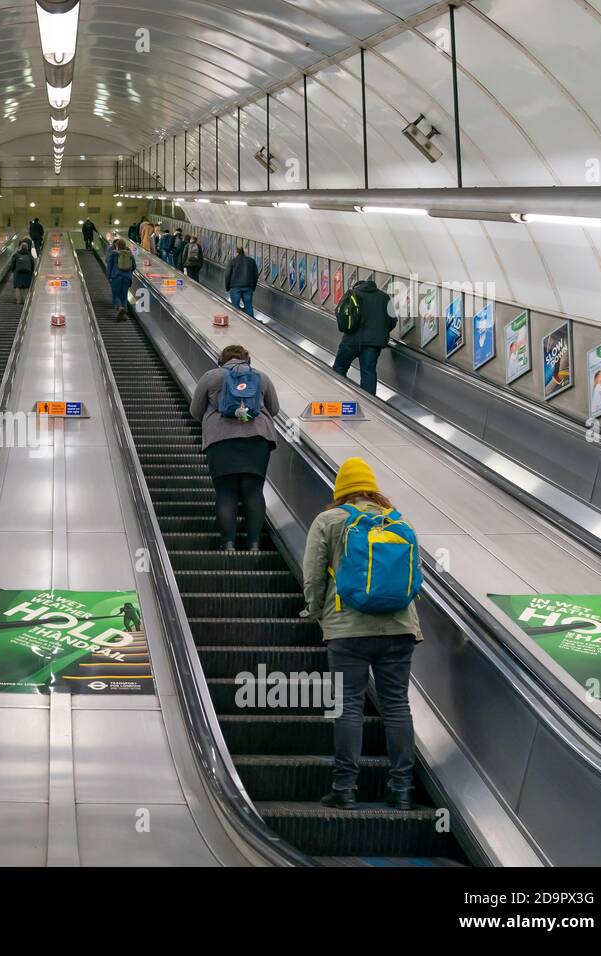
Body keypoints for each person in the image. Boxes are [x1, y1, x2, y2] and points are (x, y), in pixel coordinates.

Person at [301, 457, 422, 811]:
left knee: (349, 706)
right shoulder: (398, 521)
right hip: (400, 628)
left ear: (341, 491)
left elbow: (313, 576)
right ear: (373, 489)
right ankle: (402, 790)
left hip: (348, 630)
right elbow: (416, 577)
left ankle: (345, 788)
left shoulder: (330, 521)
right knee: (397, 706)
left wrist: (314, 611)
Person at [189, 345, 280, 552]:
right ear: (246, 359)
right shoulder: (261, 377)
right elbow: (273, 409)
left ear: (222, 359)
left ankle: (228, 544)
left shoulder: (211, 377)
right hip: (257, 440)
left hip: (221, 441)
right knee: (254, 492)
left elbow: (195, 410)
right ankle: (254, 544)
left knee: (225, 493)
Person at [333, 276, 395, 395]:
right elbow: (392, 322)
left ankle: (338, 394)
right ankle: (368, 403)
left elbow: (341, 315)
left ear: (357, 286)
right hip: (373, 343)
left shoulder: (352, 294)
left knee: (340, 367)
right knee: (368, 372)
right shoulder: (384, 298)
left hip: (351, 340)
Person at [105, 237, 135, 320]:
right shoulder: (130, 254)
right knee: (124, 296)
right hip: (127, 278)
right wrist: (128, 272)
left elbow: (109, 266)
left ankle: (120, 308)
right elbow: (134, 267)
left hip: (116, 277)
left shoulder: (113, 254)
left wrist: (109, 276)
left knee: (116, 295)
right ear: (125, 245)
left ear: (117, 246)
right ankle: (124, 314)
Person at [225, 244, 260, 317]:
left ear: (237, 253)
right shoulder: (251, 261)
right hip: (248, 287)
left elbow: (227, 274)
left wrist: (227, 287)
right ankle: (251, 323)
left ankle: (237, 322)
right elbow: (256, 275)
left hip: (235, 287)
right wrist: (253, 287)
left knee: (235, 306)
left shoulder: (232, 261)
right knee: (248, 306)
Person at [11, 239, 36, 305]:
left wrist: (13, 270)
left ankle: (19, 300)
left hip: (18, 273)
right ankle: (25, 300)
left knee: (18, 287)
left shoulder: (16, 255)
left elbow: (12, 264)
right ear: (27, 248)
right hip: (27, 273)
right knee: (26, 287)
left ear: (20, 247)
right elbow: (33, 265)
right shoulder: (30, 256)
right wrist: (31, 272)